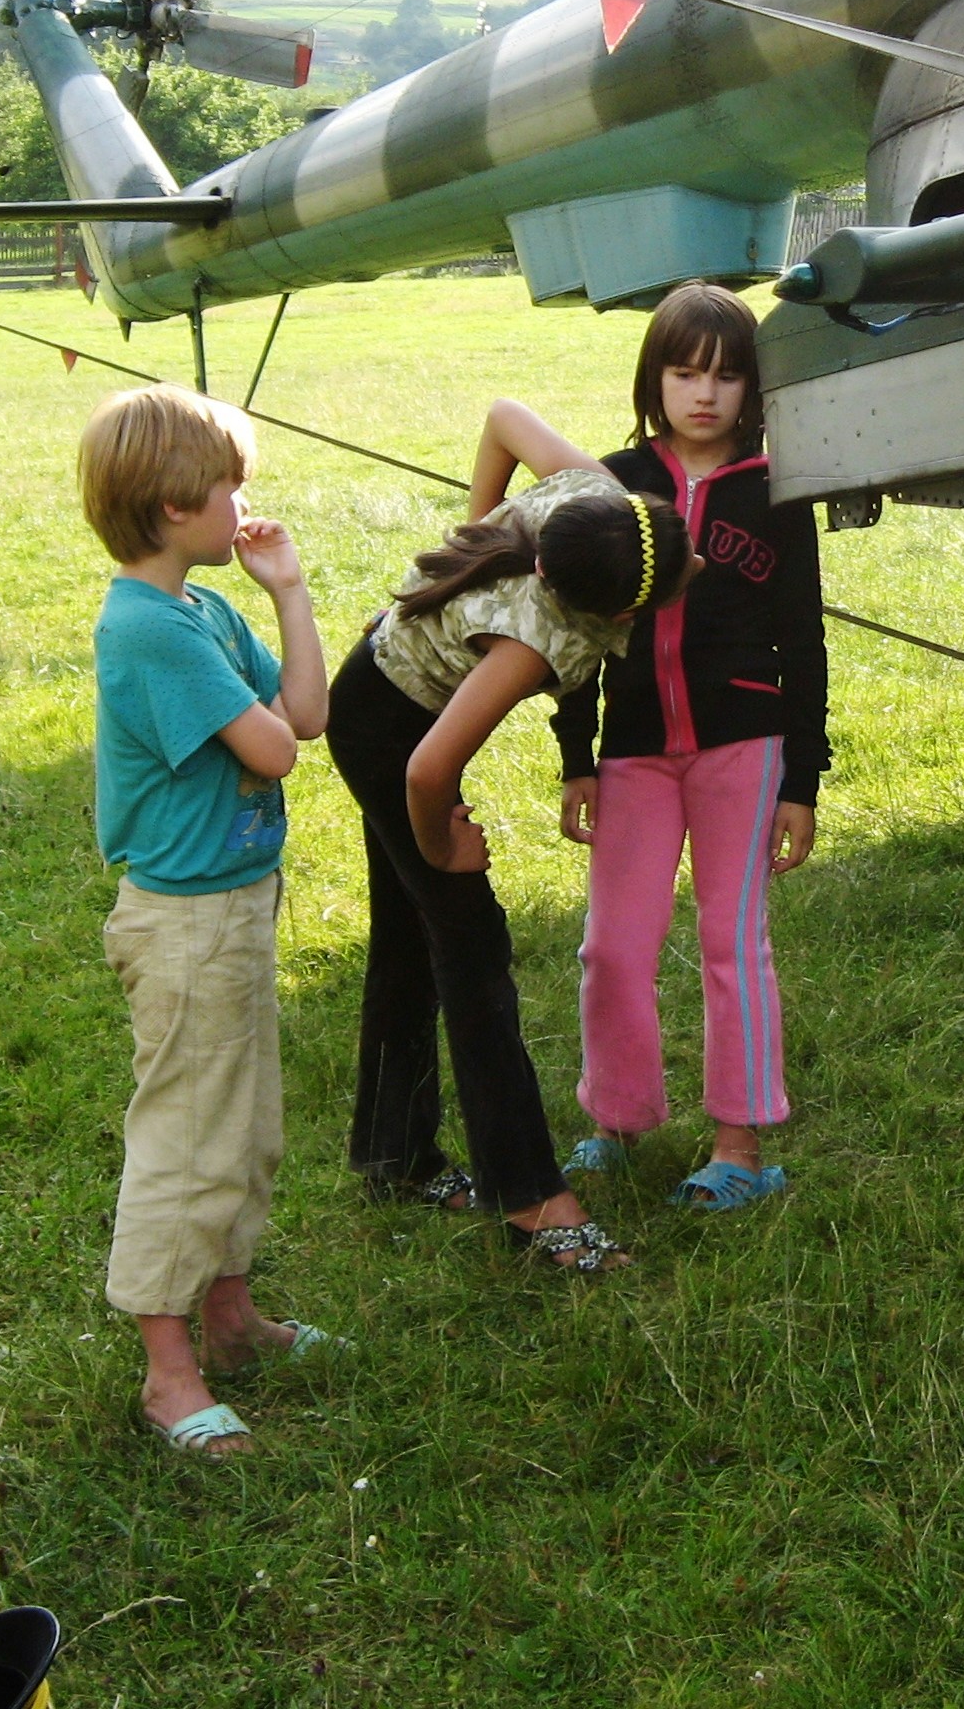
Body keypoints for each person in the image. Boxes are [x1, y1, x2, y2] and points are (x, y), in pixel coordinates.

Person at [330, 398, 696, 1275]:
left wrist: (471, 539)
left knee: (414, 941)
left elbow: (499, 417)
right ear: (614, 614)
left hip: (383, 690)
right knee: (470, 946)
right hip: (389, 730)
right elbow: (425, 769)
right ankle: (531, 1198)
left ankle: (395, 1157)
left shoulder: (589, 497)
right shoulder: (535, 640)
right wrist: (443, 847)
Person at [81, 383, 329, 1458]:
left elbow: (307, 717)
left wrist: (289, 590)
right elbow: (271, 749)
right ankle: (167, 1374)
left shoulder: (206, 609)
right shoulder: (145, 630)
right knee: (186, 1137)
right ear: (174, 506)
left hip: (235, 907)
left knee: (245, 1124)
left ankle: (229, 1320)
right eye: (230, 487)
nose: (243, 505)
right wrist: (267, 716)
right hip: (183, 928)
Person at [553, 282, 827, 1210]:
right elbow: (577, 625)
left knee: (730, 941)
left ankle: (739, 1147)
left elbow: (805, 639)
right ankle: (618, 1121)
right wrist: (577, 755)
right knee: (614, 947)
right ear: (655, 379)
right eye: (684, 372)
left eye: (725, 375)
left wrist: (803, 778)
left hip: (742, 747)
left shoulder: (776, 487)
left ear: (753, 387)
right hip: (632, 749)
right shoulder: (612, 480)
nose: (704, 393)